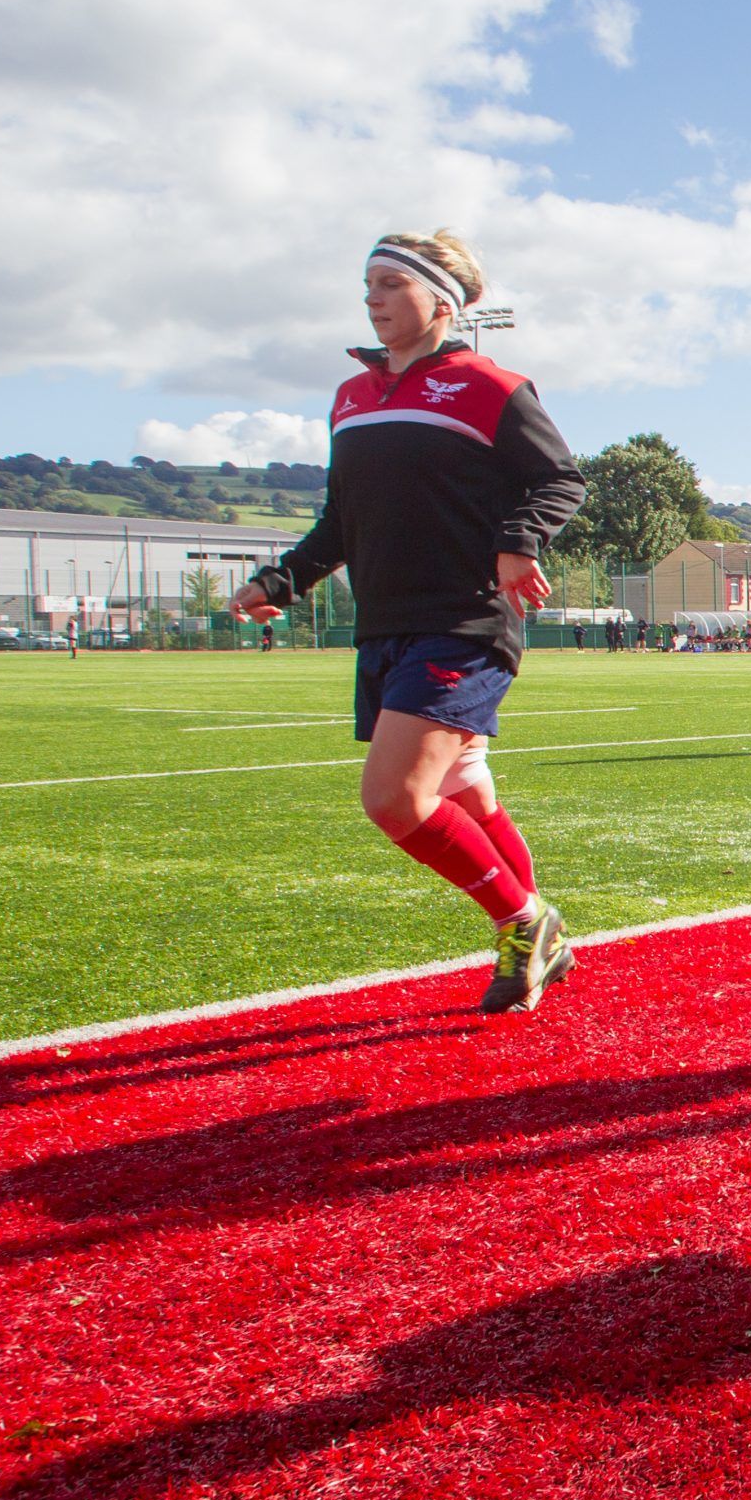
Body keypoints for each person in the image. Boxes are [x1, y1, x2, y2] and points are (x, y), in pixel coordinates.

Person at [230, 229, 585, 1013]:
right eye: (368, 284)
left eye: (391, 283)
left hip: (462, 621)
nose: (373, 298)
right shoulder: (350, 398)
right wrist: (281, 581)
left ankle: (527, 922)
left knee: (394, 797)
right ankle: (533, 939)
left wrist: (516, 545)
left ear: (442, 302)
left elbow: (559, 480)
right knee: (463, 796)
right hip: (383, 625)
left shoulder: (491, 386)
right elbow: (341, 520)